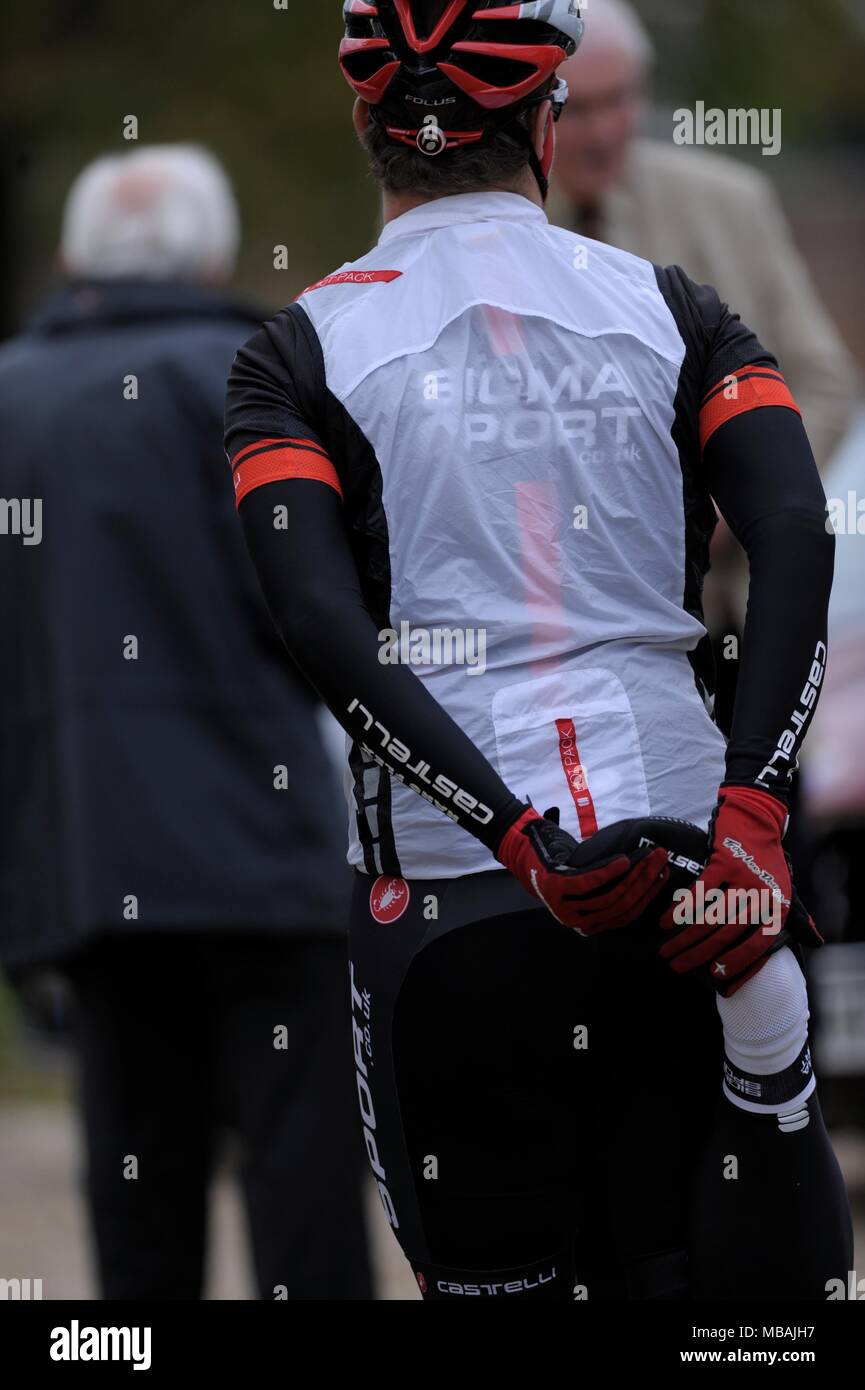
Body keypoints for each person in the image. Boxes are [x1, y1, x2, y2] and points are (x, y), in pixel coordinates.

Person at [225, 2, 851, 1300]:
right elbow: (795, 529)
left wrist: (513, 831)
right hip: (691, 864)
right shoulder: (676, 306)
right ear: (548, 129)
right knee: (721, 1297)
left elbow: (317, 625)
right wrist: (753, 809)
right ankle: (772, 1045)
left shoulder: (292, 351)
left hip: (457, 889)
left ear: (367, 126)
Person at [0, 144, 372, 1301]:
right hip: (262, 857)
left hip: (86, 858)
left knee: (134, 1199)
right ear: (214, 254)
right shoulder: (249, 383)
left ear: (70, 258)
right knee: (304, 1190)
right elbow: (323, 613)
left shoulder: (10, 395)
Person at [548, 0, 859, 474]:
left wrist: (744, 496)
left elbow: (826, 383)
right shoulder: (492, 221)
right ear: (534, 109)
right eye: (580, 109)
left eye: (618, 100)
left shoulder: (732, 204)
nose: (602, 132)